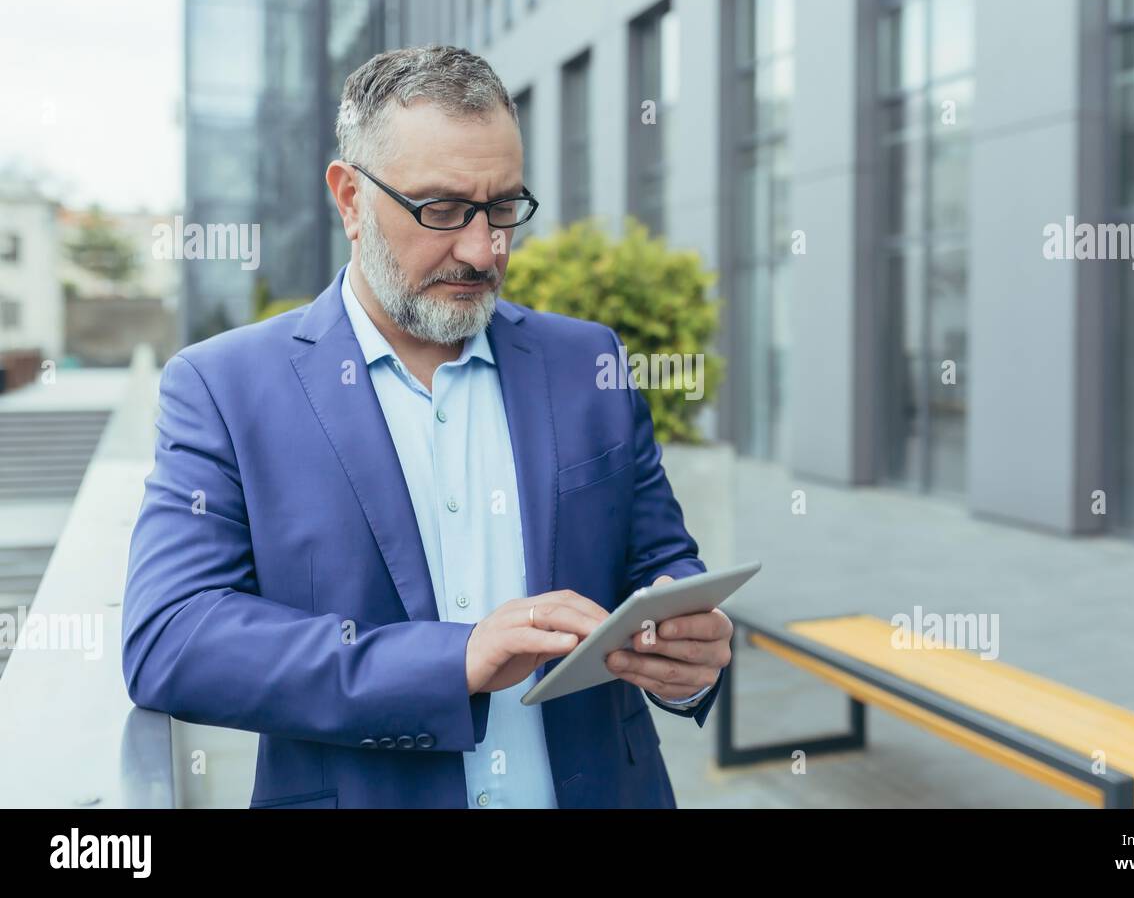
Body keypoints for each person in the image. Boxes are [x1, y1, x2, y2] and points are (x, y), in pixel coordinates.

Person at [122, 45, 732, 809]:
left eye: (503, 207)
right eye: (441, 210)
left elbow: (663, 564)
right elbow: (172, 639)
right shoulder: (223, 387)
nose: (484, 250)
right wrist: (451, 661)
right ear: (349, 198)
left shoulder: (589, 362)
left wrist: (689, 655)